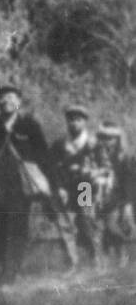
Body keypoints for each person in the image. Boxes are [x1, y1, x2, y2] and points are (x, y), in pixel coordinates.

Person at [0, 84, 71, 284]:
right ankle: (3, 264)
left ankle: (10, 273)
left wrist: (56, 185)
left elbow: (45, 158)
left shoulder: (29, 126)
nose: (6, 101)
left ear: (18, 102)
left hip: (21, 185)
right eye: (1, 98)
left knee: (17, 228)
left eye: (11, 97)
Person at [47, 105, 107, 270]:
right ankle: (72, 263)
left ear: (85, 122)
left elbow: (105, 166)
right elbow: (51, 168)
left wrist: (92, 172)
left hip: (84, 186)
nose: (74, 123)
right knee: (65, 224)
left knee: (86, 220)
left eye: (78, 120)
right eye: (71, 119)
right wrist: (58, 187)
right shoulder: (59, 144)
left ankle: (96, 258)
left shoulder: (93, 143)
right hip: (65, 188)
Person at [96, 124, 136, 267]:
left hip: (117, 198)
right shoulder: (95, 154)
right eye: (103, 138)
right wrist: (85, 200)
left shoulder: (124, 158)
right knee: (97, 228)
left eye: (110, 138)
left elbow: (129, 183)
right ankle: (101, 261)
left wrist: (127, 204)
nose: (106, 141)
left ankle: (122, 255)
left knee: (113, 225)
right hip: (94, 195)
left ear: (118, 139)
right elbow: (85, 180)